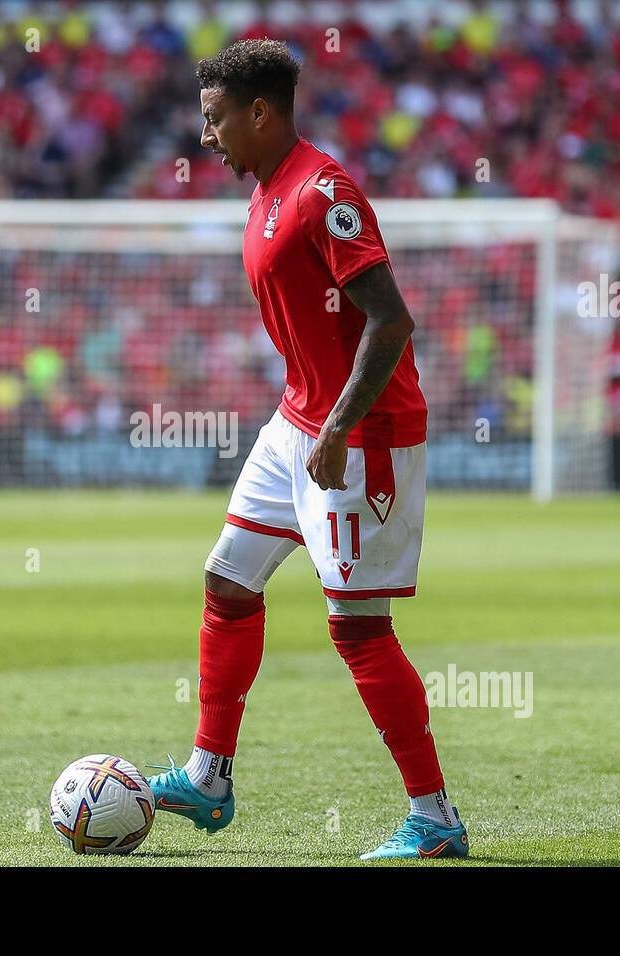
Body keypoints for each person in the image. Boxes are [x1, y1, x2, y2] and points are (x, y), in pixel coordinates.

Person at [147, 39, 469, 860]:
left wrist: (336, 429)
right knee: (227, 578)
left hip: (360, 436)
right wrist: (311, 423)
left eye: (216, 119)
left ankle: (434, 820)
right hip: (298, 424)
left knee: (358, 628)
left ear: (262, 113)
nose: (206, 136)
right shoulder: (263, 195)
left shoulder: (325, 193)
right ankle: (209, 774)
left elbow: (391, 321)